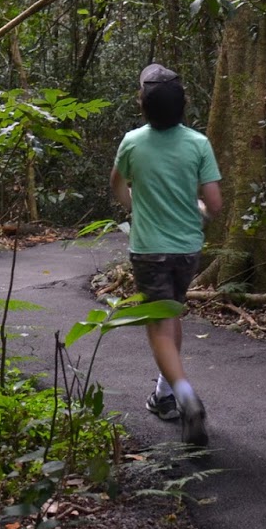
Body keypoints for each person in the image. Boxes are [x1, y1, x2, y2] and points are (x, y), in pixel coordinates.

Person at [109, 63, 223, 446]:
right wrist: (199, 211)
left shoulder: (132, 142)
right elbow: (215, 204)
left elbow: (118, 187)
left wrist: (134, 209)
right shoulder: (198, 143)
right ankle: (164, 394)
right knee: (171, 312)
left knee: (158, 325)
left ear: (143, 106)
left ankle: (187, 398)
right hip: (187, 249)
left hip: (148, 249)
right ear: (182, 105)